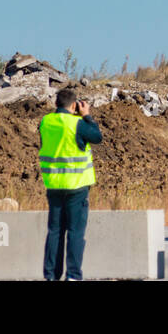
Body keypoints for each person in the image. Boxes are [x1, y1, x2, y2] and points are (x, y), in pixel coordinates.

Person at [39, 87, 102, 281]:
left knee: (55, 232)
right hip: (76, 187)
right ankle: (73, 275)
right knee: (75, 233)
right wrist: (87, 116)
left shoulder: (45, 121)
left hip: (54, 185)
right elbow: (97, 137)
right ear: (74, 105)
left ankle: (51, 276)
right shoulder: (77, 124)